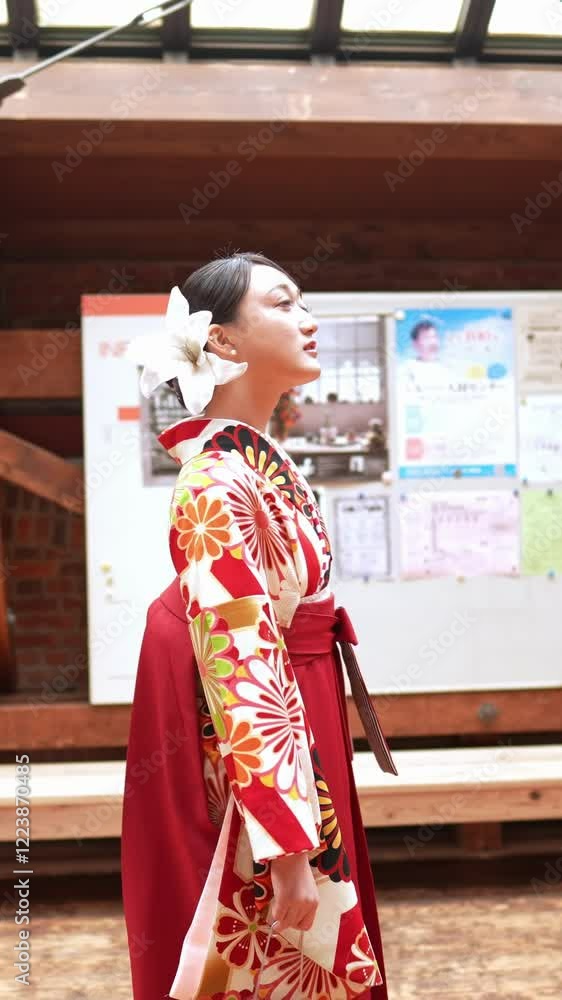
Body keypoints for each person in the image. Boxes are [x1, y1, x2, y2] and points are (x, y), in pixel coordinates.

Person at [120, 252, 398, 1000]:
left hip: (298, 719)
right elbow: (241, 660)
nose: (307, 319)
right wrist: (287, 848)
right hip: (263, 746)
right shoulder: (217, 479)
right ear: (225, 343)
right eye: (282, 304)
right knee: (281, 955)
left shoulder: (254, 462)